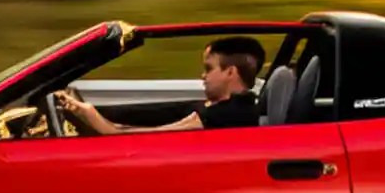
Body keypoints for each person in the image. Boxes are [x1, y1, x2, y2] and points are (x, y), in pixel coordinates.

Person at [55, 36, 266, 135]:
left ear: (230, 72)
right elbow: (153, 120)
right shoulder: (223, 108)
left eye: (209, 69)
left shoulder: (227, 116)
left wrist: (93, 117)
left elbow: (150, 136)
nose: (203, 76)